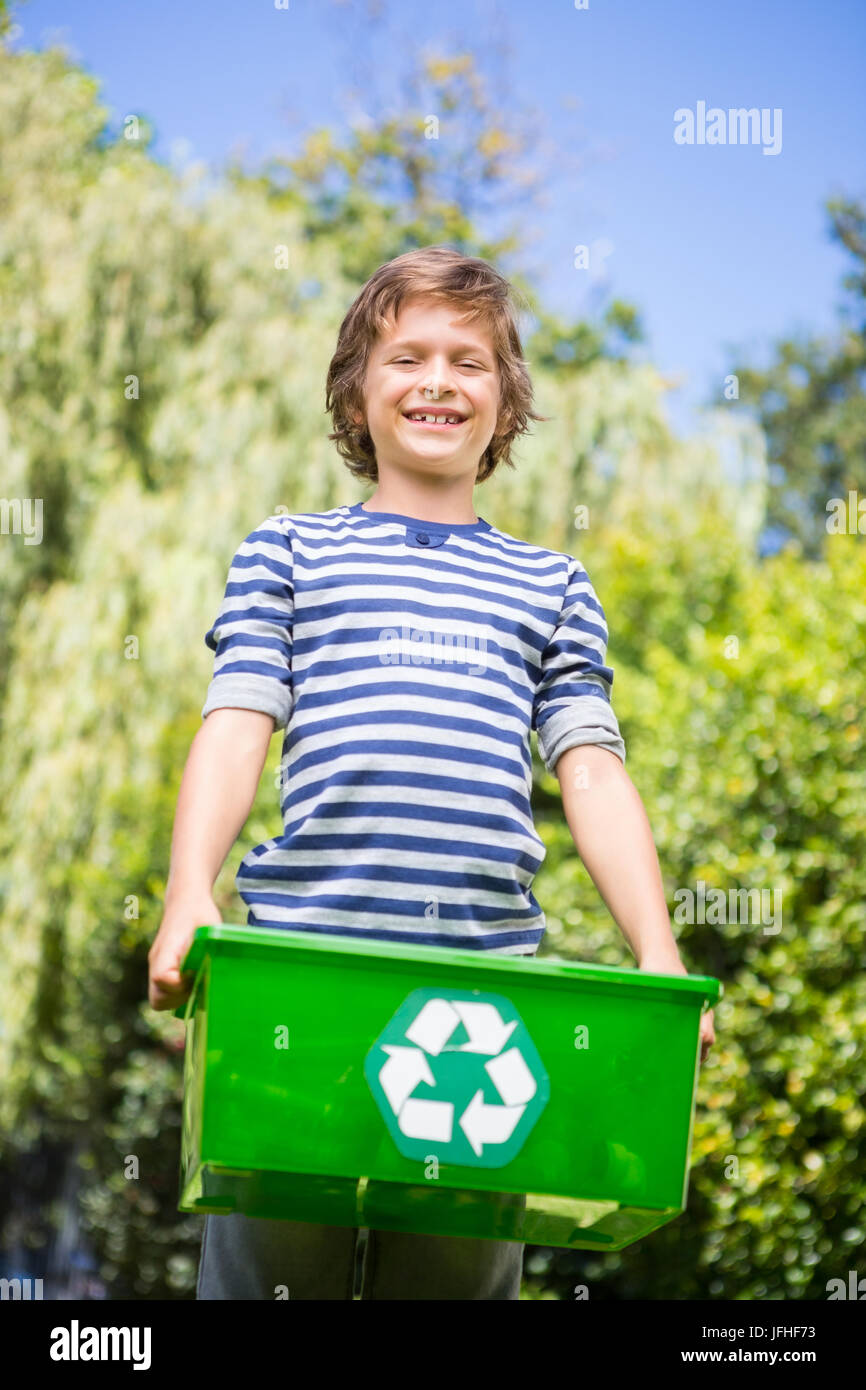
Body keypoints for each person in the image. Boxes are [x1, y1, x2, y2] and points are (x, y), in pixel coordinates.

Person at [148, 245, 715, 1300]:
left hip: (485, 1001)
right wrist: (190, 891)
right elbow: (236, 723)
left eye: (470, 361)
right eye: (405, 356)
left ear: (504, 406)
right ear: (356, 394)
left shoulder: (549, 585)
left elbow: (589, 768)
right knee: (270, 1277)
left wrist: (653, 948)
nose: (438, 380)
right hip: (299, 986)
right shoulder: (287, 553)